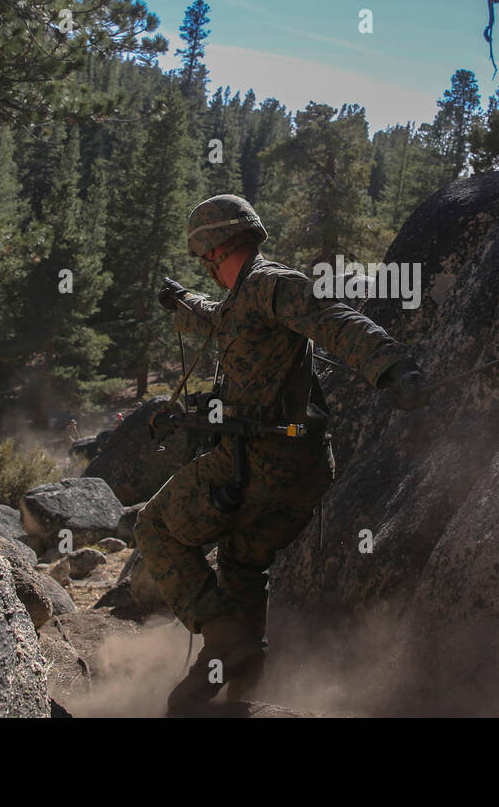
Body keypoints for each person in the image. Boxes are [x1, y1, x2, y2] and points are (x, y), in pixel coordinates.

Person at [137, 194, 429, 711]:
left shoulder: (271, 282)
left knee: (156, 528)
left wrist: (392, 366)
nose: (206, 271)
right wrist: (182, 303)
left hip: (255, 465)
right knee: (243, 564)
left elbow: (334, 317)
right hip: (302, 472)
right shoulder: (249, 292)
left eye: (204, 261)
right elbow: (222, 320)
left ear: (214, 249)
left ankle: (224, 641)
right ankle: (245, 684)